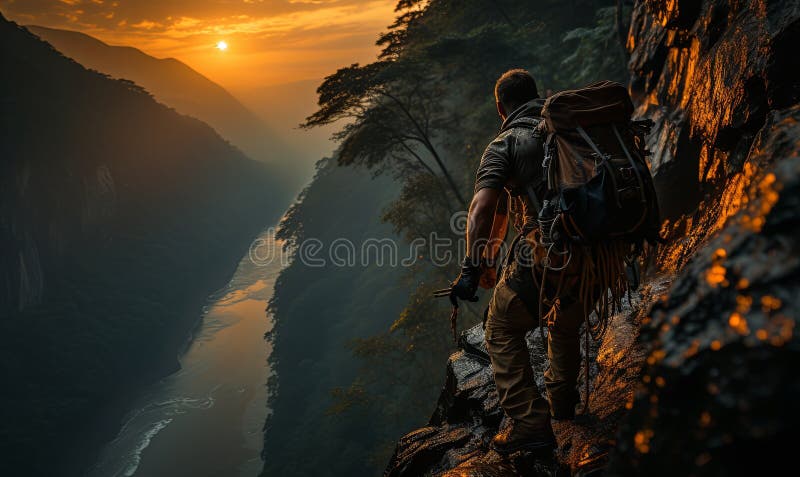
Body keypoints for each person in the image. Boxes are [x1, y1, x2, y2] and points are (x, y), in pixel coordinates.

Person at [449, 69, 586, 454]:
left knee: (500, 327)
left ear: (499, 107)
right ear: (534, 94)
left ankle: (530, 425)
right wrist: (491, 258)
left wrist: (471, 269)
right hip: (596, 251)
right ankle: (562, 400)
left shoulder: (505, 143)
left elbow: (482, 210)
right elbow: (504, 215)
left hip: (550, 251)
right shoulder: (565, 128)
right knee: (565, 315)